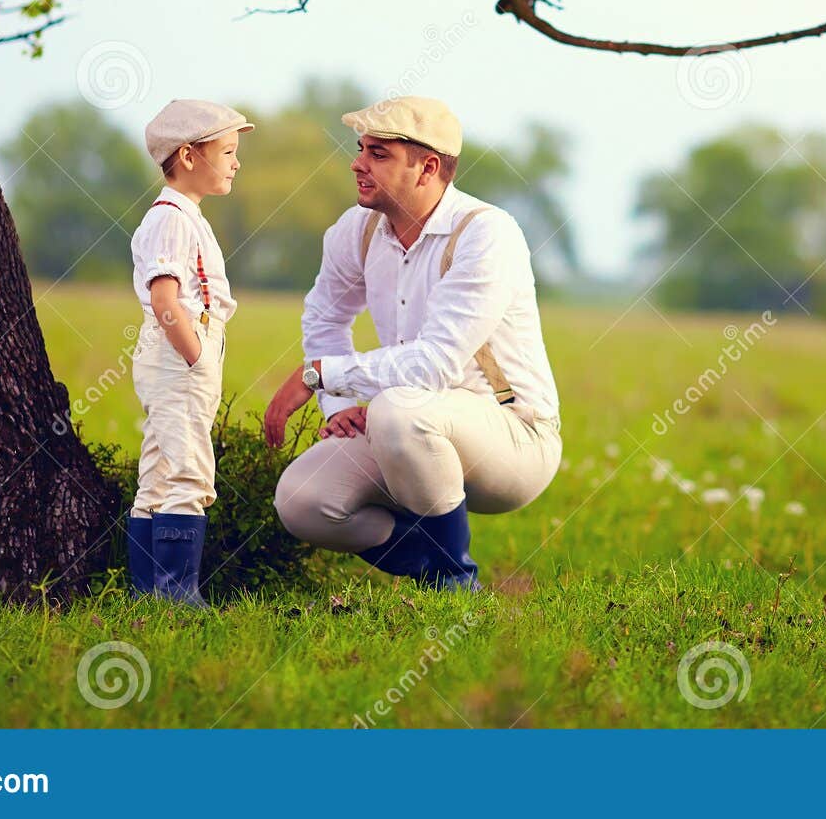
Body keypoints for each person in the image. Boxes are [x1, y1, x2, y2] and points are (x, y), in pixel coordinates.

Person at [264, 95, 562, 591]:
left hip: (514, 435)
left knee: (400, 408)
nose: (357, 164)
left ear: (427, 168)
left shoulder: (486, 234)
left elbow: (435, 365)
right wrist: (337, 404)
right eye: (361, 149)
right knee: (302, 501)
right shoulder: (354, 230)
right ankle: (431, 563)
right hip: (406, 428)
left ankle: (454, 581)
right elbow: (325, 315)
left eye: (378, 154)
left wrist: (322, 374)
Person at [127, 99, 253, 604]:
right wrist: (197, 357)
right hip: (181, 357)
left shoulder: (184, 215)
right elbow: (166, 299)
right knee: (190, 472)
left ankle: (148, 593)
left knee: (159, 471)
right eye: (227, 151)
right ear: (187, 156)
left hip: (180, 355)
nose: (236, 162)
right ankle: (177, 594)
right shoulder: (171, 219)